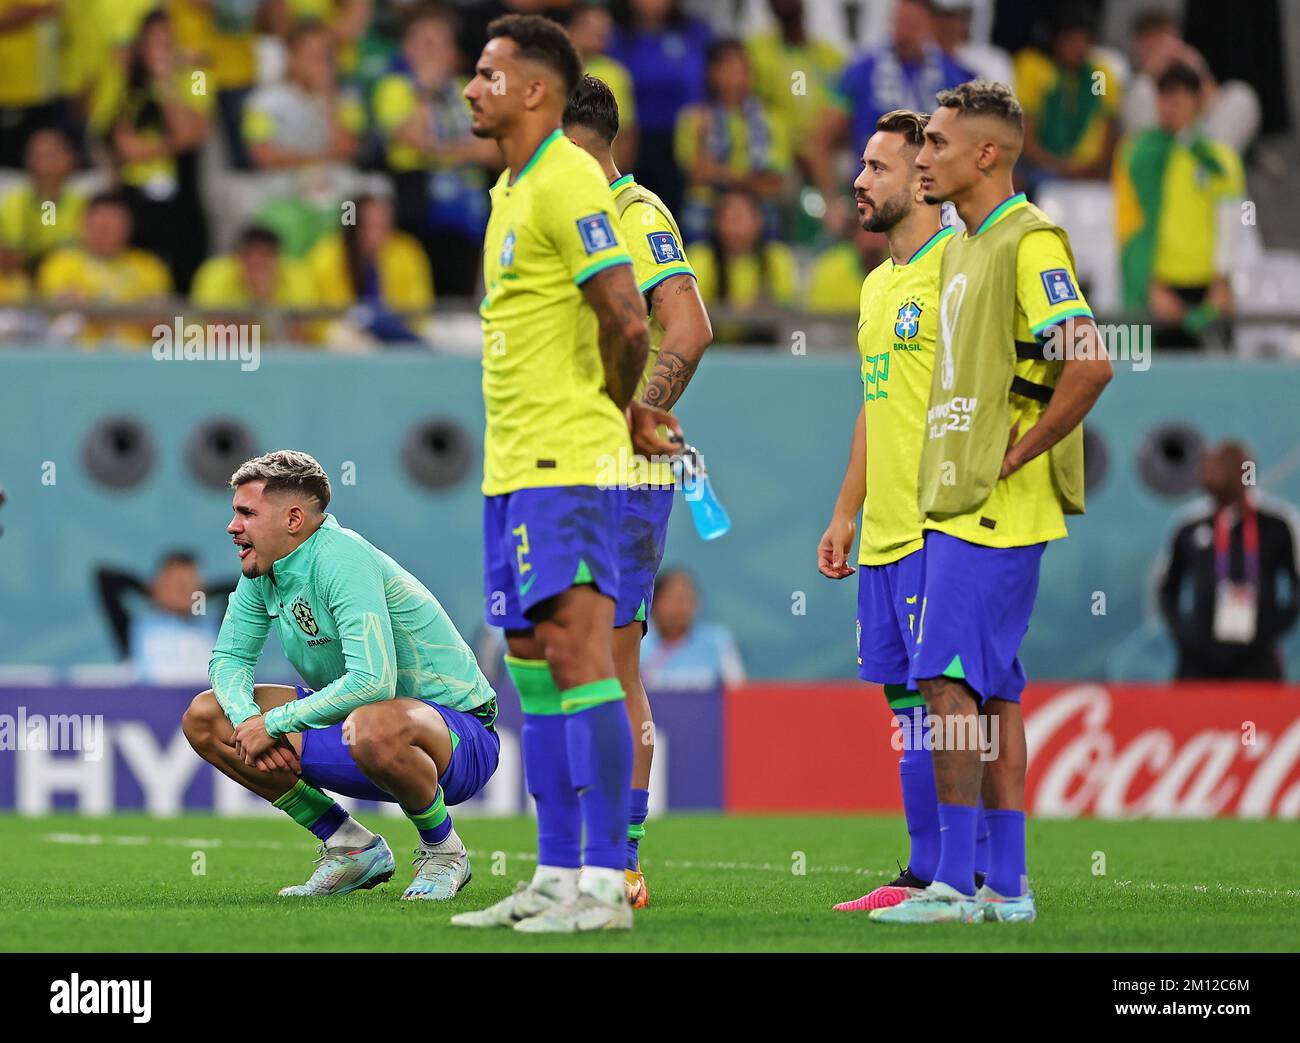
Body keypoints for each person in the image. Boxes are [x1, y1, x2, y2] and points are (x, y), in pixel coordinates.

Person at [453, 13, 674, 934]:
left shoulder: (570, 178)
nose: (471, 88)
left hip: (570, 464)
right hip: (513, 470)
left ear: (535, 90)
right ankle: (552, 876)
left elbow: (629, 318)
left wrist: (624, 413)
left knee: (587, 663)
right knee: (535, 670)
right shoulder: (513, 188)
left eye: (489, 75)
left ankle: (601, 884)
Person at [871, 80, 1112, 925]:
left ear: (985, 153)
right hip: (963, 500)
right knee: (995, 694)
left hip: (992, 507)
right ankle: (1005, 887)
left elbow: (1089, 360)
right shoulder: (966, 246)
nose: (922, 155)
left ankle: (951, 885)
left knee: (944, 684)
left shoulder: (1029, 239)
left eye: (934, 143)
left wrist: (1017, 453)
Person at [182, 449, 500, 901]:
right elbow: (229, 658)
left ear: (293, 519)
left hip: (459, 738)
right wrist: (245, 719)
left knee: (371, 722)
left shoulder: (341, 558)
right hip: (359, 726)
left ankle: (445, 851)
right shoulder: (263, 571)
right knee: (206, 717)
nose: (233, 527)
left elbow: (373, 682)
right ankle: (350, 846)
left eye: (246, 513)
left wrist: (271, 724)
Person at [818, 108, 981, 913]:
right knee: (906, 703)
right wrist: (846, 509)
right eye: (862, 165)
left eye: (877, 167)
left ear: (923, 179)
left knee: (948, 695)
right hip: (882, 532)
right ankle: (924, 870)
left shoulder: (962, 266)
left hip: (939, 527)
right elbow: (873, 404)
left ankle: (967, 870)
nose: (858, 179)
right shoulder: (878, 285)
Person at [563, 73, 714, 909]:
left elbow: (689, 326)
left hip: (620, 469)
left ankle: (621, 859)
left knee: (614, 660)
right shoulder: (573, 216)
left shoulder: (634, 213)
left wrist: (640, 413)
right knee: (575, 656)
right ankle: (593, 854)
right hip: (570, 464)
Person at [806, 0, 971, 234]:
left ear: (928, 26)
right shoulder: (862, 71)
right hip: (871, 203)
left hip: (934, 202)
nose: (903, 30)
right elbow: (820, 141)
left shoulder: (953, 75)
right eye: (900, 21)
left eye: (912, 23)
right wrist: (832, 203)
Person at [1114, 61, 1244, 350]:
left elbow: (1232, 220)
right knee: (1160, 387)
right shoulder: (1138, 156)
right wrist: (1150, 286)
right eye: (1163, 98)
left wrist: (1222, 284)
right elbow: (1129, 225)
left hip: (1210, 289)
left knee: (1220, 386)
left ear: (1198, 101)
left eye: (1177, 99)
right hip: (1161, 291)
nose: (1168, 107)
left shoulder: (1219, 159)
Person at [372, 3, 498, 297]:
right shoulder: (394, 88)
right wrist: (424, 92)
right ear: (408, 48)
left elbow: (493, 151)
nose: (431, 51)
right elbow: (413, 138)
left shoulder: (469, 89)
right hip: (416, 204)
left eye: (438, 42)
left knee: (460, 296)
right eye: (423, 42)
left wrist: (439, 149)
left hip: (467, 209)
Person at [89, 8, 213, 292]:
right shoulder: (121, 78)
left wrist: (165, 83)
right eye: (153, 41)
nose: (161, 49)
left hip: (184, 190)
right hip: (133, 193)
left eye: (167, 41)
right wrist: (173, 143)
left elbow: (196, 133)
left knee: (188, 259)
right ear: (140, 44)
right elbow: (124, 146)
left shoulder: (195, 76)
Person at [1158, 441, 1300, 681]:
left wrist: (1272, 629)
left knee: (1260, 717)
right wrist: (1187, 636)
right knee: (1195, 717)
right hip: (1198, 661)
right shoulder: (1190, 525)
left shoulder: (1277, 524)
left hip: (1258, 660)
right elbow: (1166, 589)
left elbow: (1297, 585)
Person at [673, 37, 789, 242]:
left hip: (757, 202)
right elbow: (697, 175)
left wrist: (724, 176)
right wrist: (701, 137)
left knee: (772, 214)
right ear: (712, 73)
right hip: (712, 202)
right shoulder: (693, 118)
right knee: (695, 209)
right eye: (727, 67)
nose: (736, 75)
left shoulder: (773, 120)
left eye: (742, 68)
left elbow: (775, 182)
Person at [608, 0, 713, 216]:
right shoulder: (616, 36)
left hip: (682, 141)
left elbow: (708, 85)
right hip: (631, 138)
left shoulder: (694, 32)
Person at [35, 190, 171, 345]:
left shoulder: (149, 265)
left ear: (128, 227)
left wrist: (92, 310)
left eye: (112, 225)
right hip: (78, 356)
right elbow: (65, 310)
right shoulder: (60, 262)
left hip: (135, 357)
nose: (105, 232)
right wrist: (134, 311)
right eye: (100, 226)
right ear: (83, 224)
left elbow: (159, 320)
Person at [1121, 8, 1261, 154]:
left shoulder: (1191, 64)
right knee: (1142, 90)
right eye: (1154, 45)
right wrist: (1153, 74)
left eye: (1168, 41)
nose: (1164, 49)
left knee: (1240, 94)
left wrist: (1198, 74)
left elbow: (1214, 103)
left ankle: (1210, 162)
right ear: (1138, 46)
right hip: (1161, 151)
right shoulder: (1136, 85)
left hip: (1201, 139)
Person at [1014, 5, 1119, 186]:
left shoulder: (1098, 75)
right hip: (1041, 167)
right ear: (1056, 39)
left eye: (1085, 40)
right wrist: (1059, 167)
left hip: (1089, 171)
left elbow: (1106, 127)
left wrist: (1094, 168)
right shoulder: (1035, 67)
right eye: (1071, 40)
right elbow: (1025, 132)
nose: (1078, 47)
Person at [307, 193, 433, 343]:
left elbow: (420, 307)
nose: (378, 234)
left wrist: (397, 330)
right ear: (353, 228)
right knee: (341, 335)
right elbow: (317, 317)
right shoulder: (326, 256)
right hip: (348, 337)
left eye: (384, 226)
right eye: (370, 226)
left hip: (397, 334)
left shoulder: (407, 251)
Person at [95, 551, 235, 685]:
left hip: (204, 705)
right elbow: (106, 577)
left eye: (188, 584)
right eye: (174, 584)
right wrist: (151, 591)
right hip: (153, 704)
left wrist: (202, 594)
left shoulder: (218, 627)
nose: (181, 590)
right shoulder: (134, 627)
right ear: (156, 585)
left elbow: (242, 587)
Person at [690, 187, 796, 341]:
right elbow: (691, 309)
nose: (736, 228)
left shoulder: (777, 258)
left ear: (758, 221)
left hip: (764, 350)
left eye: (741, 219)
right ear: (716, 223)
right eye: (729, 219)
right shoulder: (699, 257)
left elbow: (786, 306)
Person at [745, 0, 844, 163]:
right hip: (778, 154)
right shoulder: (756, 52)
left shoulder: (831, 57)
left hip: (826, 152)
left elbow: (844, 108)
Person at [190, 225, 318, 341]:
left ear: (279, 258)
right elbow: (217, 336)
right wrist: (258, 301)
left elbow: (300, 339)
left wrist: (263, 298)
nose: (260, 264)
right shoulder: (215, 274)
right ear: (239, 257)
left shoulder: (298, 276)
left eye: (267, 256)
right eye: (253, 257)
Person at [640, 568, 744, 691]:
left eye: (685, 598)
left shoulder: (717, 643)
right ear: (654, 602)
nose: (679, 607)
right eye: (672, 599)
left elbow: (737, 692)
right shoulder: (638, 644)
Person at [0, 128, 86, 272]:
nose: (42, 162)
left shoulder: (83, 203)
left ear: (70, 158)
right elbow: (10, 252)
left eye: (50, 155)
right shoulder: (13, 203)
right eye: (36, 155)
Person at [566, 2, 638, 171]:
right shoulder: (554, 72)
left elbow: (627, 130)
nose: (599, 34)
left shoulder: (616, 73)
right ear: (572, 29)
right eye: (591, 28)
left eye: (604, 30)